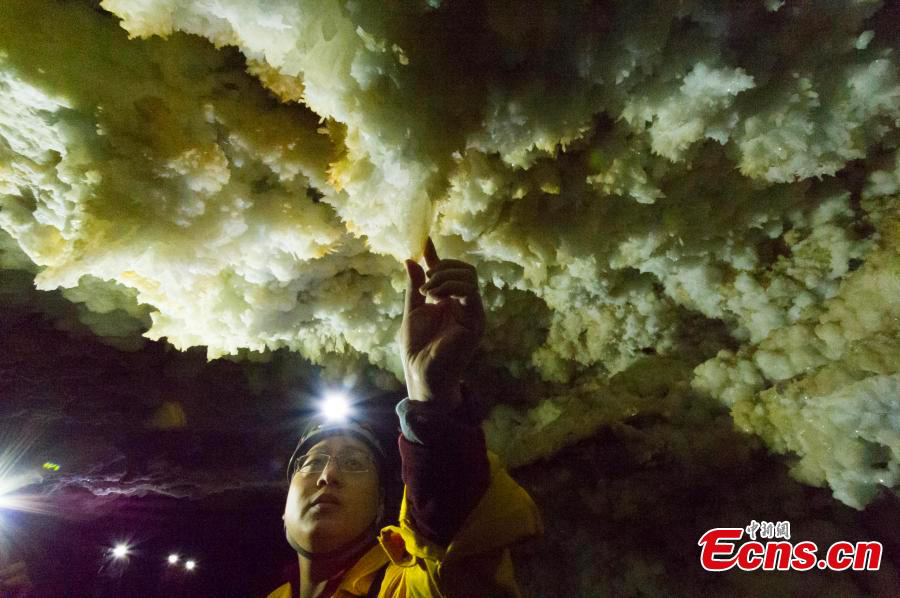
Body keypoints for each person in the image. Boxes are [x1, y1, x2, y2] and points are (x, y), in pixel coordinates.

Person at [268, 238, 542, 598]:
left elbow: (454, 543)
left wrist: (432, 394)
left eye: (353, 464)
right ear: (284, 512)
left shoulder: (406, 587)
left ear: (381, 507)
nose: (328, 476)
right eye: (313, 462)